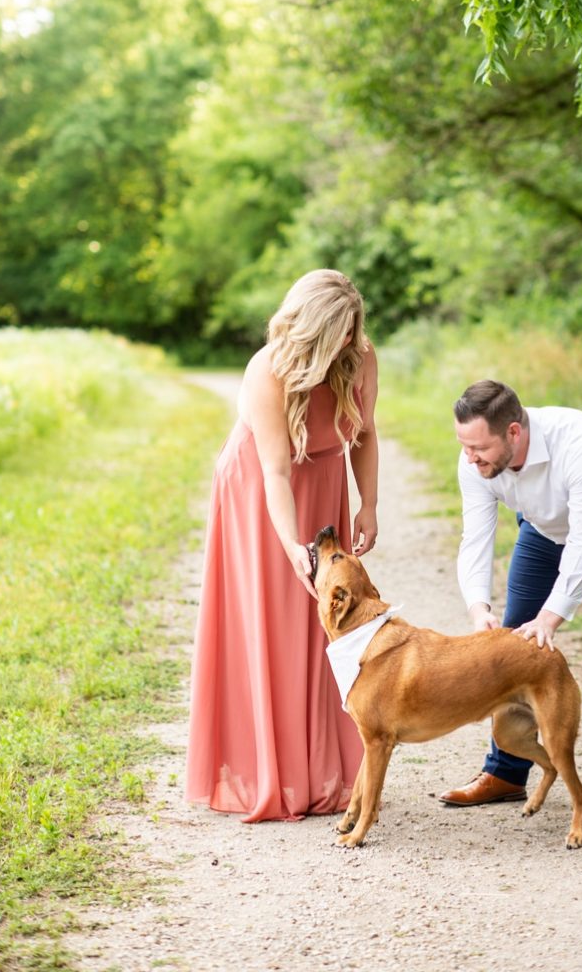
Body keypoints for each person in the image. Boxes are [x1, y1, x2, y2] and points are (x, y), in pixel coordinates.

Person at [186, 269, 379, 821]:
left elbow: (365, 434)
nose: (346, 342)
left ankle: (323, 767)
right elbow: (273, 471)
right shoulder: (268, 369)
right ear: (307, 330)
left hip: (324, 484)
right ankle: (272, 771)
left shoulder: (362, 358)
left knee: (327, 625)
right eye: (335, 333)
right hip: (263, 493)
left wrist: (368, 502)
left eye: (351, 330)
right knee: (273, 623)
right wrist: (292, 545)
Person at [439, 380, 582, 826]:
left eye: (479, 447)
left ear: (514, 432)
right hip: (542, 530)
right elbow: (476, 538)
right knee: (512, 643)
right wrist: (479, 608)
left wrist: (551, 618)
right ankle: (506, 771)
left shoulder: (581, 444)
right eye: (464, 446)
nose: (470, 457)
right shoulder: (474, 461)